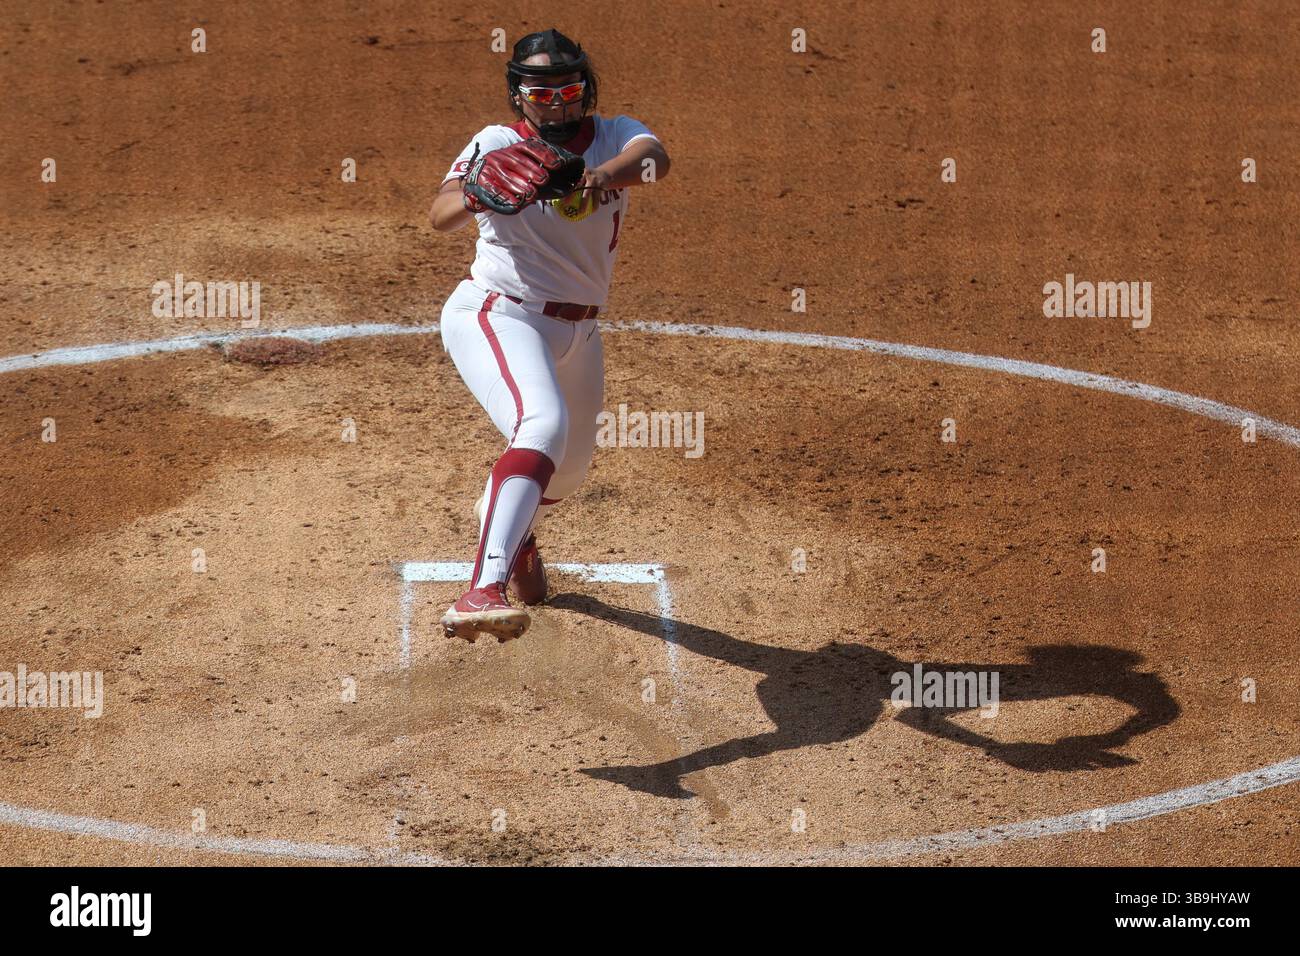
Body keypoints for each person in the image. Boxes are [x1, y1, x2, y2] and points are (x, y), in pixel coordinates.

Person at [429, 28, 671, 642]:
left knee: (567, 474)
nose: (558, 103)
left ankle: (522, 537)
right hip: (501, 313)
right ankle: (482, 588)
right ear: (520, 96)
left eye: (568, 89)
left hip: (580, 335)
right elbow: (440, 215)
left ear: (586, 89)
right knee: (543, 427)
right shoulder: (497, 141)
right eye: (543, 92)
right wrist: (480, 193)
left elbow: (655, 161)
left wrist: (596, 176)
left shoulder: (616, 134)